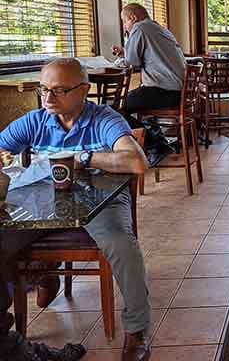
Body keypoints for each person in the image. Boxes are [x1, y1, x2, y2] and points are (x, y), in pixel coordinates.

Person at [0, 59, 152, 361]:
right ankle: (13, 325)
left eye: (59, 90)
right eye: (44, 90)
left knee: (122, 246)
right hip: (44, 203)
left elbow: (136, 162)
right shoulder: (36, 120)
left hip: (101, 199)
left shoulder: (104, 119)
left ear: (84, 90)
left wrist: (82, 156)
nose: (48, 99)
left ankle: (137, 332)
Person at [112, 3, 185, 114]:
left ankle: (147, 131)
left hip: (162, 92)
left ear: (133, 18)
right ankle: (149, 129)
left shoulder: (140, 27)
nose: (124, 27)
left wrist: (124, 57)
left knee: (117, 106)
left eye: (124, 21)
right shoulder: (160, 29)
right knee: (125, 102)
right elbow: (151, 55)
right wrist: (124, 52)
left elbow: (132, 61)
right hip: (178, 92)